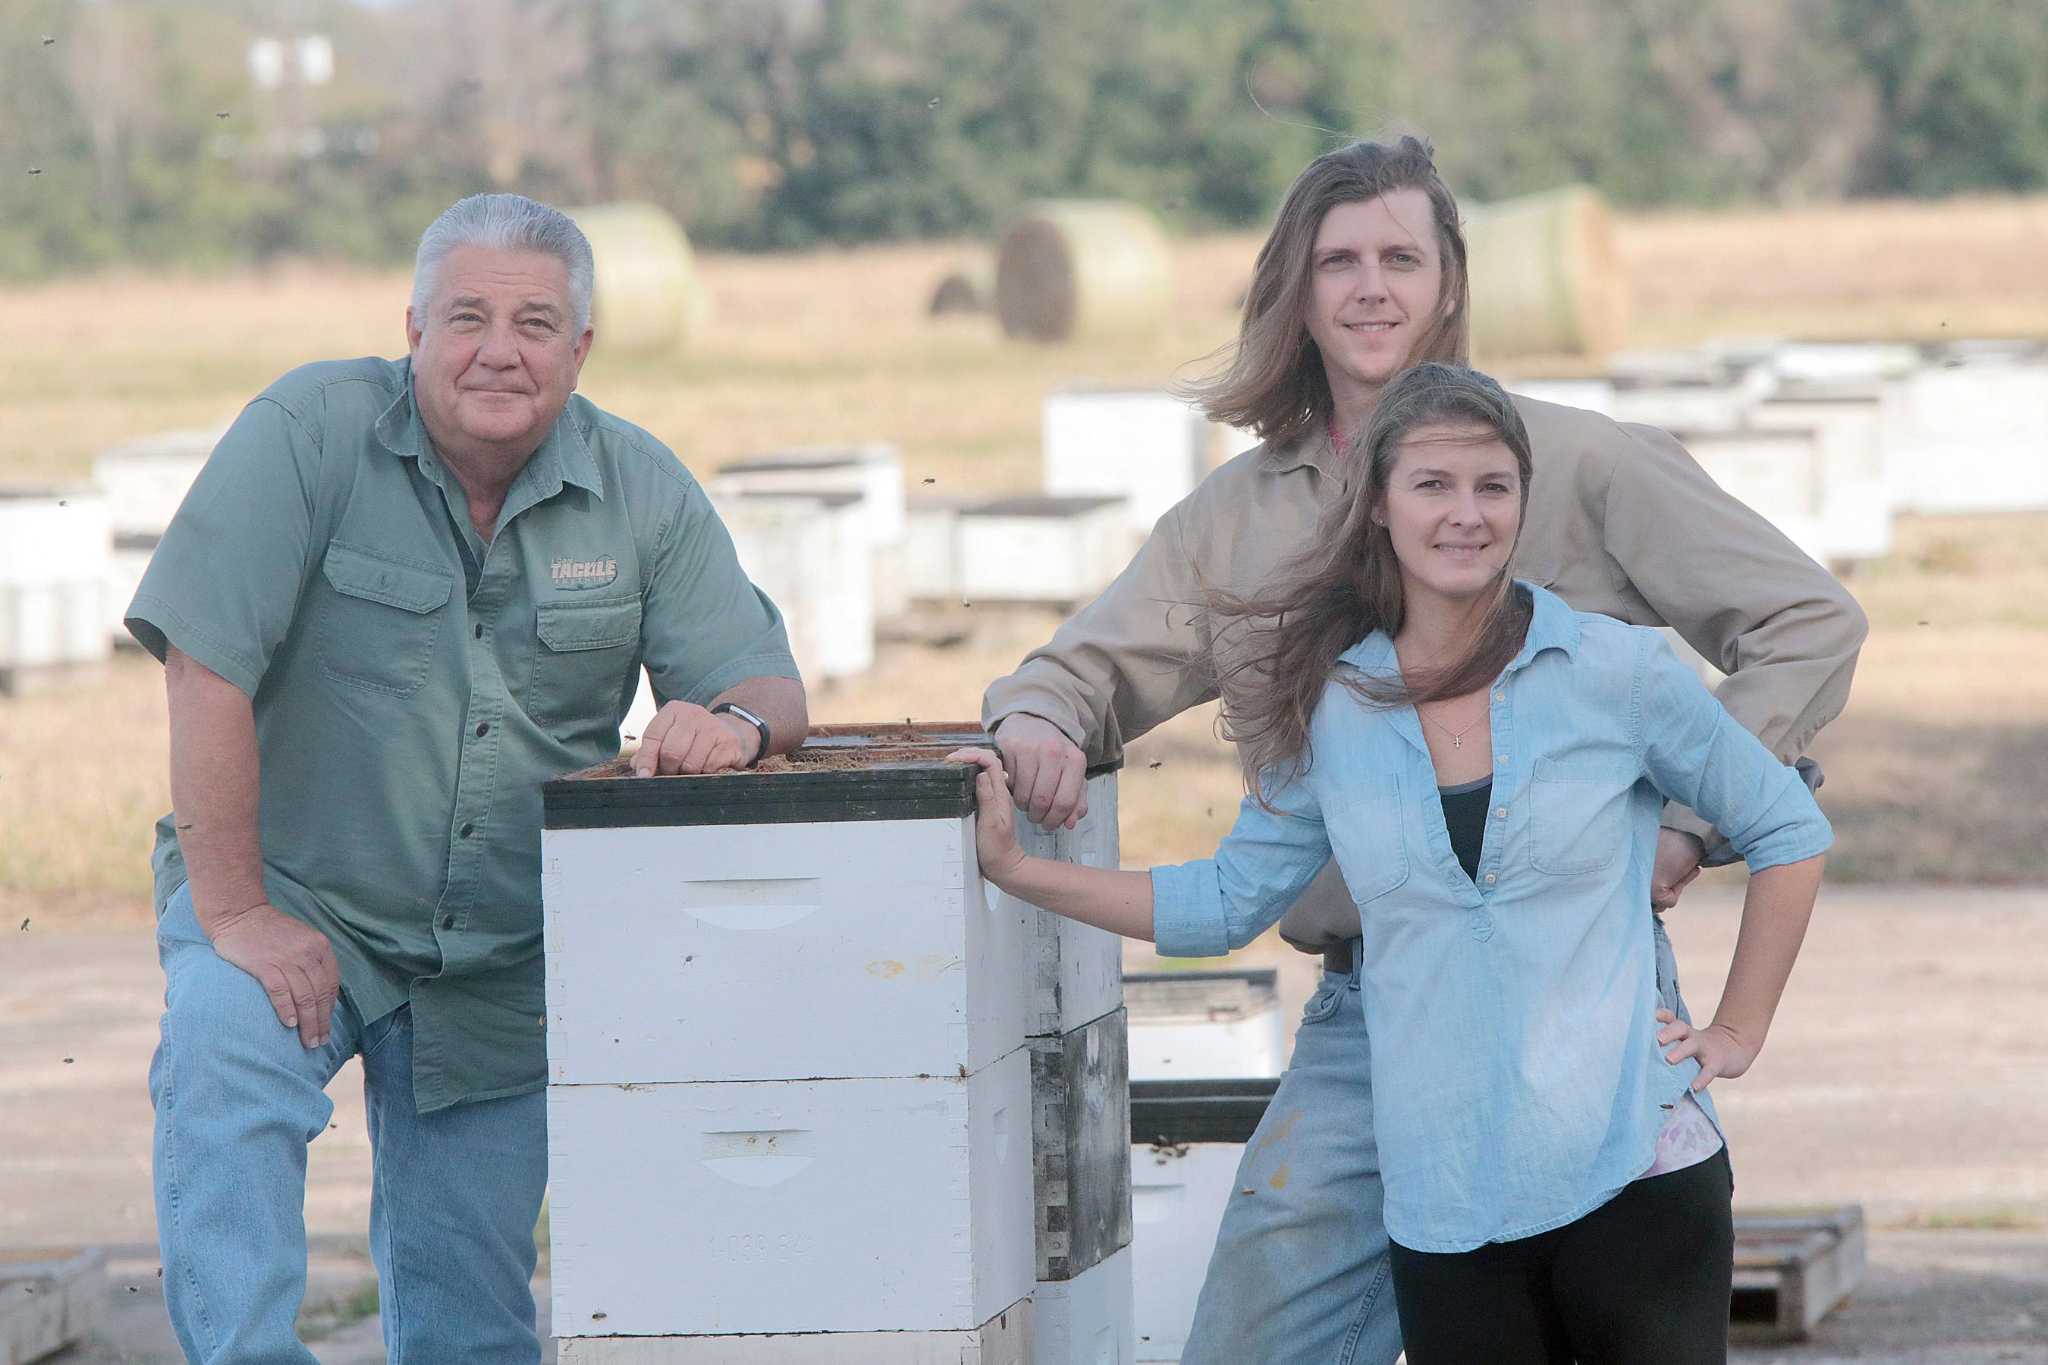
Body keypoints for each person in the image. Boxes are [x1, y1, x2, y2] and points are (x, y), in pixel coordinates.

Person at [982, 137, 1866, 1363]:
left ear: (1449, 281)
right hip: (1366, 1015)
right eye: (1336, 260)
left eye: (1401, 256)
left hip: (1584, 1003)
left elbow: (1805, 622)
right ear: (1294, 292)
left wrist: (1689, 821)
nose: (1369, 287)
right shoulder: (1231, 524)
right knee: (1251, 1346)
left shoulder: (1575, 463)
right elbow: (1081, 674)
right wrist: (1032, 720)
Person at [125, 193, 807, 1364]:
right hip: (294, 901)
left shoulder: (640, 486)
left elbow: (764, 680)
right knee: (219, 1060)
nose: (500, 348)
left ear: (580, 349)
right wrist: (237, 912)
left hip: (504, 952)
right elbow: (204, 665)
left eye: (537, 322)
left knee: (468, 1317)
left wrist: (733, 722)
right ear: (412, 327)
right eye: (468, 317)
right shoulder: (305, 430)